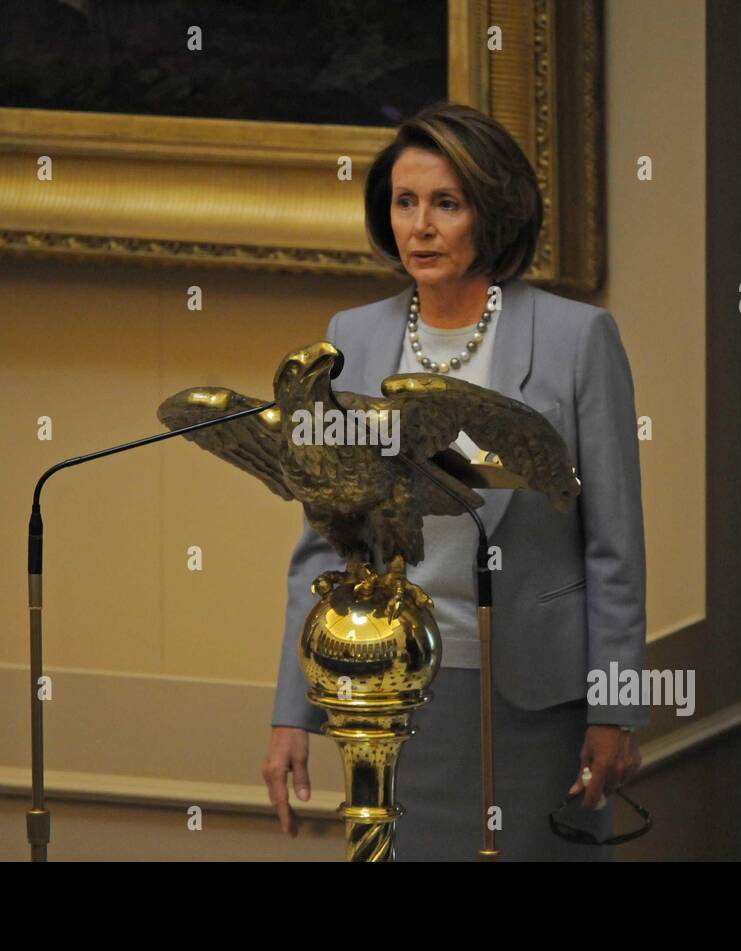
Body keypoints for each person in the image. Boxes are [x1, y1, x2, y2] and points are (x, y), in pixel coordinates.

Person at [261, 102, 647, 860]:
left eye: (447, 202)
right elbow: (323, 542)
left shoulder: (576, 340)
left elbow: (615, 548)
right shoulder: (352, 337)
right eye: (405, 203)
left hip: (537, 698)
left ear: (491, 212)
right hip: (393, 690)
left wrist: (618, 709)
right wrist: (292, 710)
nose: (421, 226)